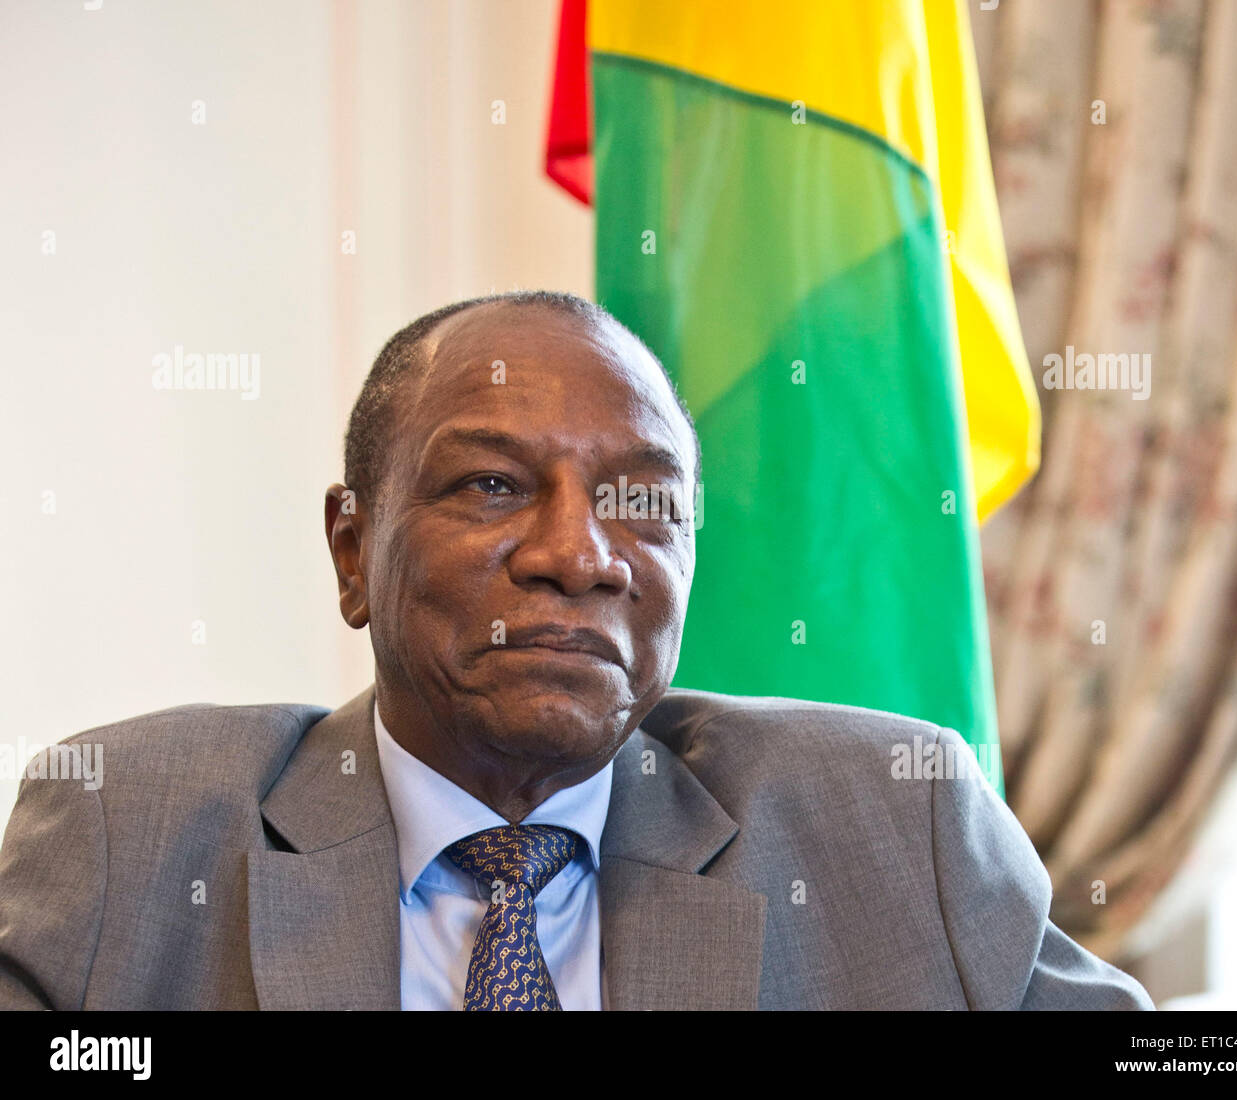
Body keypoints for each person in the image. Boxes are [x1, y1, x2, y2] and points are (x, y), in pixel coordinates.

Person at [0, 291, 1153, 1010]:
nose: (579, 553)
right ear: (353, 551)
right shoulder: (131, 837)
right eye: (493, 484)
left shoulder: (889, 828)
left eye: (643, 500)